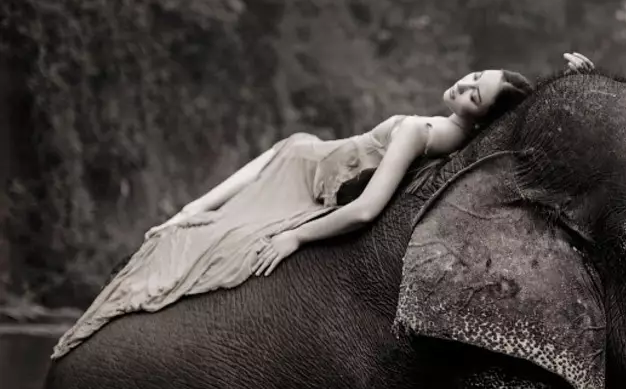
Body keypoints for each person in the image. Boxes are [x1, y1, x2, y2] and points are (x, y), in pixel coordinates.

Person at [50, 51, 596, 359]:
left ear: (479, 116)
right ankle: (192, 209)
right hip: (307, 158)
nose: (463, 85)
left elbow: (366, 211)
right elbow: (524, 129)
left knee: (213, 216)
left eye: (474, 93)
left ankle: (188, 212)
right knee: (277, 155)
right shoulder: (462, 140)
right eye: (474, 75)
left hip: (309, 174)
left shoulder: (417, 130)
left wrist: (296, 237)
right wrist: (577, 85)